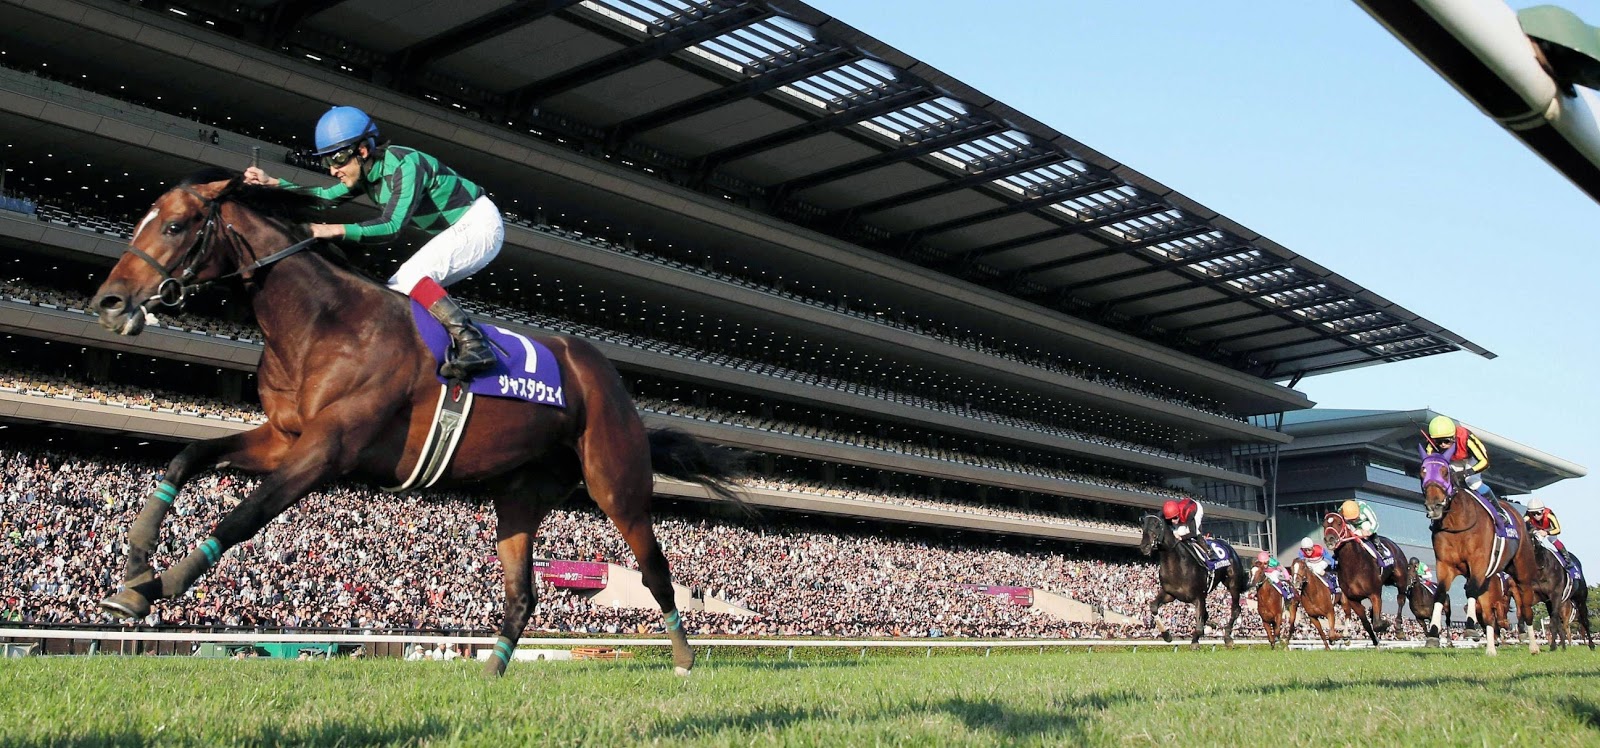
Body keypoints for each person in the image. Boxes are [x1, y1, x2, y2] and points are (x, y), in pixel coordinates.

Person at [244, 106, 504, 380]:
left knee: (412, 276)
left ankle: (474, 344)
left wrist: (328, 230)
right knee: (397, 289)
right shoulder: (366, 174)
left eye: (337, 160)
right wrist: (273, 184)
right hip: (464, 227)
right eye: (326, 162)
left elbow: (391, 226)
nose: (332, 170)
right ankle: (430, 356)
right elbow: (323, 198)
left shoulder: (406, 165)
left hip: (480, 223)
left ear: (363, 151)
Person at [1424, 415, 1494, 500]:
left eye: (1446, 441)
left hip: (1471, 459)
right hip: (1453, 460)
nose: (1442, 445)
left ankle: (1497, 509)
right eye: (1438, 441)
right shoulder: (1431, 445)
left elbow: (1485, 462)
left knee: (1472, 481)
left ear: (1453, 436)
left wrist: (1467, 472)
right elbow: (1429, 464)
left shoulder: (1466, 438)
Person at [1525, 498, 1572, 568]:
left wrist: (1547, 532)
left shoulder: (1549, 515)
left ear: (1543, 511)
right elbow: (1521, 523)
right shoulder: (1527, 515)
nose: (1536, 516)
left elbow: (1558, 529)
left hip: (1549, 528)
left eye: (1538, 513)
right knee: (1533, 541)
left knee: (1552, 539)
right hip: (1537, 529)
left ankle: (1567, 559)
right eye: (1533, 514)